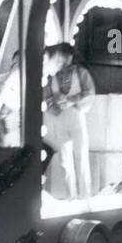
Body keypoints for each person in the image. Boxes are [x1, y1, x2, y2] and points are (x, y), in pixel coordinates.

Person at [43, 43, 96, 199]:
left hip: (76, 116)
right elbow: (45, 97)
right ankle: (71, 196)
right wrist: (53, 105)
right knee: (65, 161)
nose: (63, 61)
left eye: (65, 57)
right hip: (58, 118)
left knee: (81, 156)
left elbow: (90, 93)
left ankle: (85, 196)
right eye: (60, 57)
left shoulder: (81, 72)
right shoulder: (51, 75)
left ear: (70, 57)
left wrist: (71, 100)